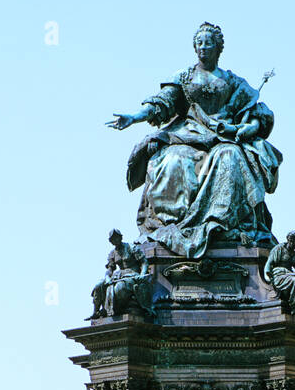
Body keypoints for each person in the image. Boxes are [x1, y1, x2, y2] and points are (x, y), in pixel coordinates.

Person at [107, 22, 281, 258]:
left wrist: (248, 127)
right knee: (170, 161)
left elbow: (259, 112)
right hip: (187, 136)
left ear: (219, 48)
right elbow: (161, 103)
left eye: (209, 43)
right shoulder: (185, 77)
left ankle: (217, 223)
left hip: (223, 139)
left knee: (230, 157)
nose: (203, 47)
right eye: (199, 42)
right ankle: (173, 227)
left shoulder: (232, 82)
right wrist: (134, 117)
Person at [263, 231, 295, 316]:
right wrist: (267, 276)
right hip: (280, 274)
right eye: (292, 241)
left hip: (290, 273)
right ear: (288, 240)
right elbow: (269, 263)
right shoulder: (279, 248)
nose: (293, 244)